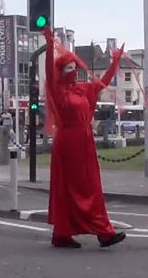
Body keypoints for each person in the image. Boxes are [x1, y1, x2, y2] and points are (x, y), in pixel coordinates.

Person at [40, 30, 126, 249]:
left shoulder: (83, 89)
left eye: (74, 67)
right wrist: (50, 44)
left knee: (90, 186)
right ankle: (69, 233)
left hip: (84, 140)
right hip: (68, 141)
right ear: (61, 71)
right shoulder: (57, 90)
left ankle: (98, 231)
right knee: (70, 186)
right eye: (68, 68)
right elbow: (50, 72)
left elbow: (103, 82)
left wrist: (115, 62)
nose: (73, 70)